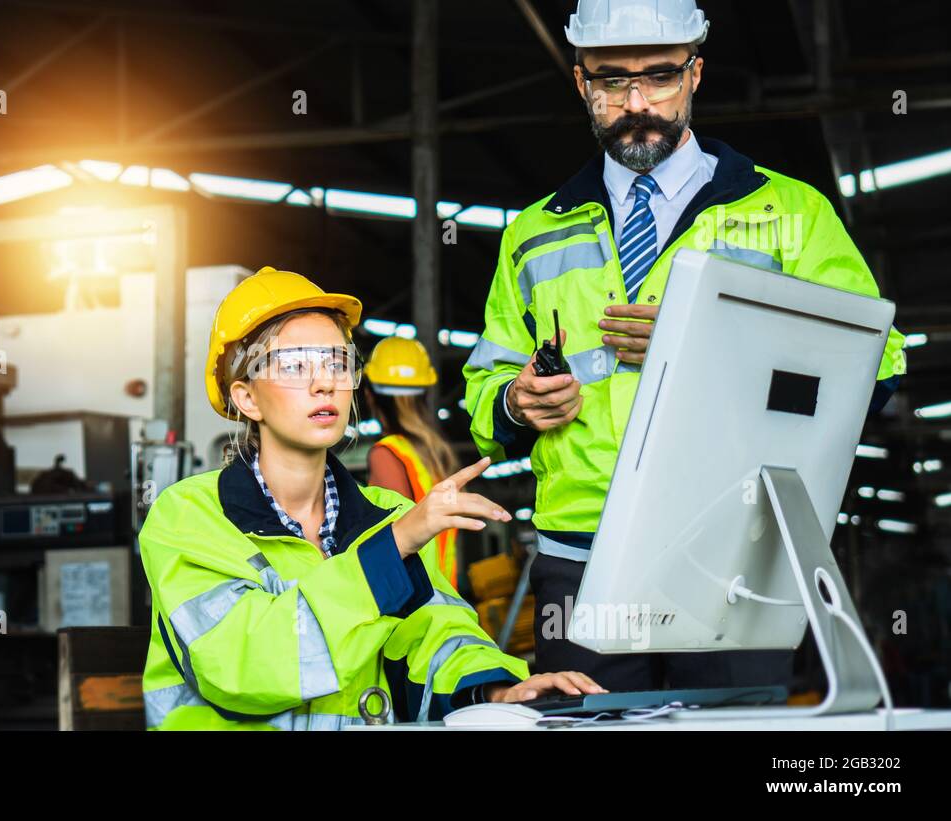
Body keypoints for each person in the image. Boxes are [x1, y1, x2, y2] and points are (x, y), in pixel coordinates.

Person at [462, 0, 906, 692]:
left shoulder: (790, 215)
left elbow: (877, 363)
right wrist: (516, 402)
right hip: (580, 558)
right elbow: (483, 391)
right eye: (611, 81)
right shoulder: (531, 235)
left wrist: (705, 343)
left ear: (695, 74)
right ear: (581, 82)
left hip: (731, 550)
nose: (636, 102)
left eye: (660, 76)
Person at [139, 266, 603, 729]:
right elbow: (243, 664)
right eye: (295, 365)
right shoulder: (189, 516)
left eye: (337, 362)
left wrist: (497, 691)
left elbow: (434, 634)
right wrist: (391, 549)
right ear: (247, 398)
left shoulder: (388, 515)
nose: (324, 383)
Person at [363, 336, 462, 589]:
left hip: (412, 602)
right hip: (443, 595)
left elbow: (392, 544)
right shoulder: (434, 455)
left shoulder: (387, 455)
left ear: (370, 395)